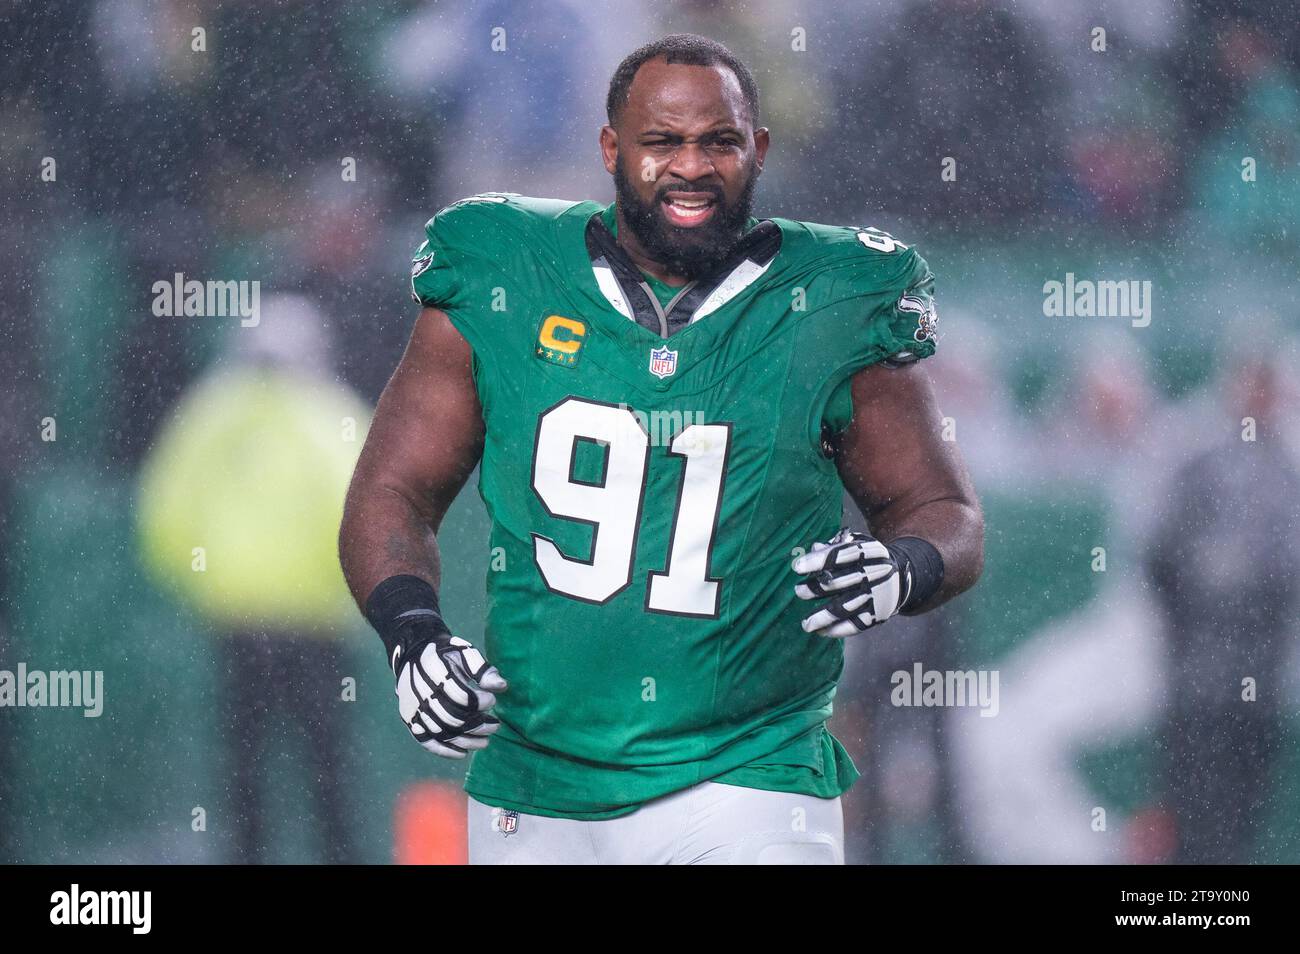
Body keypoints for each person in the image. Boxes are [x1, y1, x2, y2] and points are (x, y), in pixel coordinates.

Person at [339, 34, 983, 865]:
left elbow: (946, 512)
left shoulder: (836, 295)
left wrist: (902, 570)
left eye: (719, 140)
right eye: (663, 142)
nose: (692, 166)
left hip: (750, 769)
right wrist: (413, 637)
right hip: (537, 780)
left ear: (758, 147)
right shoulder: (505, 265)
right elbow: (393, 489)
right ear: (611, 149)